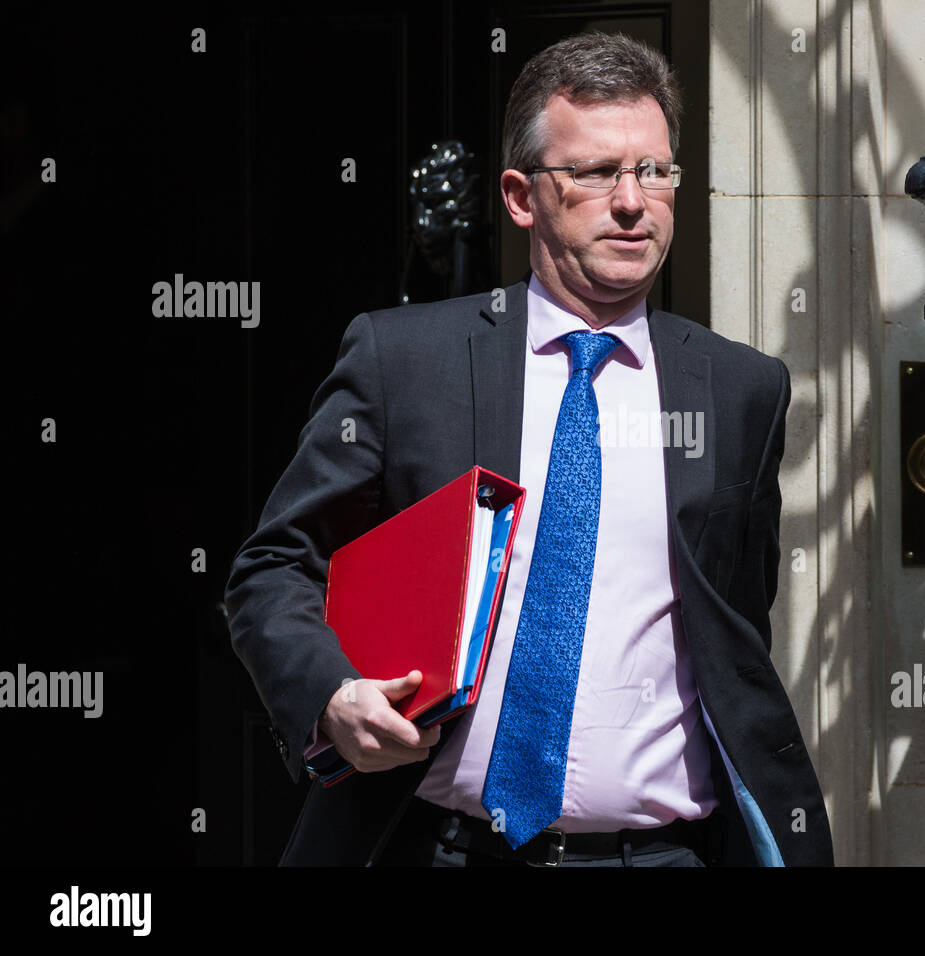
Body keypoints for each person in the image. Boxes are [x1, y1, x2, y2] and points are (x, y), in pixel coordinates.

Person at [224, 30, 832, 867]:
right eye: (593, 173)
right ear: (520, 196)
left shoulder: (740, 390)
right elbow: (274, 567)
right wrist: (330, 695)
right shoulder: (404, 362)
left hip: (665, 856)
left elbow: (735, 624)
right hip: (436, 845)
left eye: (654, 172)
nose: (632, 201)